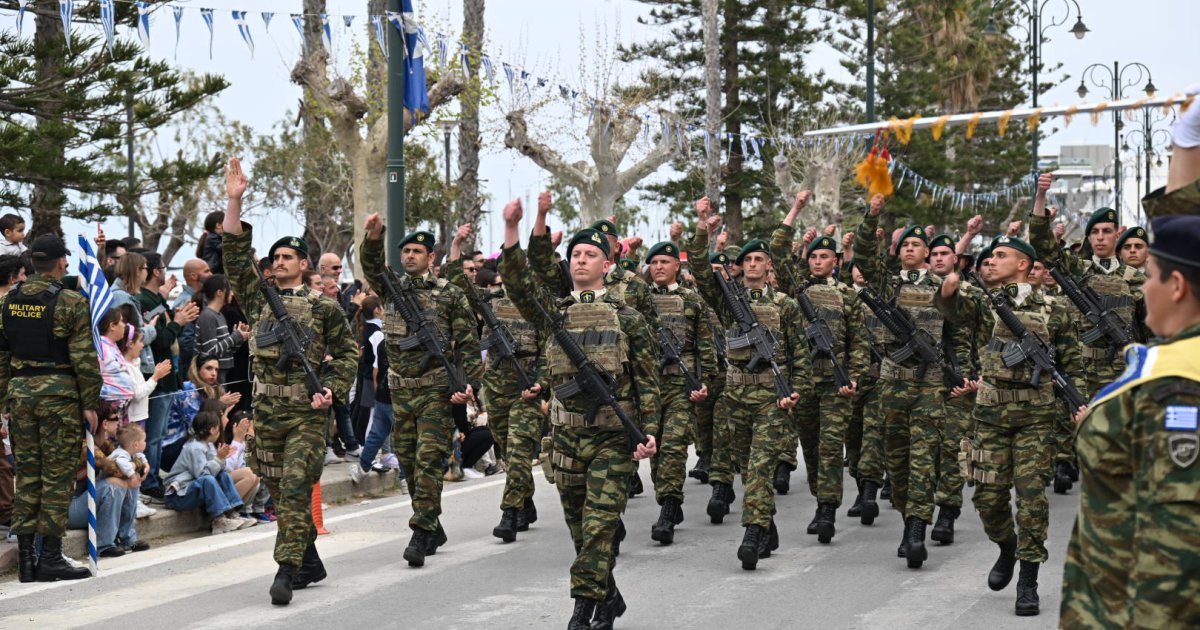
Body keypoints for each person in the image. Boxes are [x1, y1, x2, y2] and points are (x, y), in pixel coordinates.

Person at [1061, 100, 1200, 628]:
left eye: (1151, 277)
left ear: (1178, 286)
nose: (1143, 288)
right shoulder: (1175, 359)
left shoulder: (1177, 383)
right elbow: (1188, 230)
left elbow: (1175, 547)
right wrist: (1186, 145)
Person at [498, 197, 659, 630]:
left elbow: (647, 381)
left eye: (591, 254)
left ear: (608, 266)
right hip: (566, 438)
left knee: (601, 526)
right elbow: (517, 285)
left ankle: (582, 608)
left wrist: (650, 432)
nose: (581, 260)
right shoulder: (555, 314)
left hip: (612, 438)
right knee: (579, 530)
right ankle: (608, 597)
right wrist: (515, 229)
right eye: (575, 255)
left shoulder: (630, 319)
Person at [224, 157, 358, 605]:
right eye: (274, 257)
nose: (278, 263)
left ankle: (285, 569)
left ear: (304, 264)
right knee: (282, 490)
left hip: (304, 412)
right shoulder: (259, 300)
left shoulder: (323, 308)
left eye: (287, 258)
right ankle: (310, 559)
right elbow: (233, 255)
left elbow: (347, 354)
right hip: (267, 413)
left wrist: (332, 391)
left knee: (298, 486)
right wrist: (234, 200)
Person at [937, 234, 1084, 617]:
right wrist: (949, 289)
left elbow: (1072, 364)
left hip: (1036, 418)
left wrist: (1078, 405)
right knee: (988, 498)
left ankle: (1028, 581)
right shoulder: (985, 305)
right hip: (990, 417)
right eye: (988, 257)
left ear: (1023, 264)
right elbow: (953, 309)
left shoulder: (1054, 310)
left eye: (1000, 256)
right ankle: (1006, 546)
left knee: (1032, 498)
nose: (991, 261)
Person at [688, 197, 811, 570]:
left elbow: (801, 353)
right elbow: (698, 267)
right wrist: (701, 231)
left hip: (771, 396)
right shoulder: (728, 302)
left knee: (759, 468)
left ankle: (753, 534)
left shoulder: (786, 305)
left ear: (768, 265)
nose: (753, 264)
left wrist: (795, 391)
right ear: (740, 266)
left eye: (759, 260)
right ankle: (767, 523)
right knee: (745, 465)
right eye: (747, 260)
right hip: (736, 394)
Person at [853, 194, 972, 568]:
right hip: (892, 385)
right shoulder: (887, 286)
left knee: (923, 460)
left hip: (931, 386)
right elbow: (863, 259)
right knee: (898, 460)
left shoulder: (942, 288)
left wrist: (962, 379)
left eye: (916, 245)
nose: (909, 249)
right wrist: (870, 218)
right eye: (905, 244)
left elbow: (960, 337)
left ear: (927, 252)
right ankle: (909, 516)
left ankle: (917, 528)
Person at [361, 211, 482, 569]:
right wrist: (374, 235)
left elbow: (469, 342)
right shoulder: (391, 288)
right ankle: (433, 524)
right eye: (406, 251)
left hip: (434, 391)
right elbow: (370, 264)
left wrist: (472, 383)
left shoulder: (450, 295)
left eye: (418, 251)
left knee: (429, 460)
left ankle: (420, 529)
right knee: (410, 463)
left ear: (431, 258)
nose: (410, 256)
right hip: (400, 393)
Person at [1029, 174, 1150, 493]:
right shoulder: (1077, 270)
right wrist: (1041, 197)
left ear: (1116, 235)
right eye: (1094, 232)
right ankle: (1067, 462)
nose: (1099, 237)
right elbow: (1041, 244)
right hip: (1081, 366)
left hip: (1118, 369)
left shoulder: (1135, 279)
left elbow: (1148, 327)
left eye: (1106, 232)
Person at [0, 233, 102, 582]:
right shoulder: (71, 301)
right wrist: (90, 402)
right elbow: (85, 360)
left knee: (27, 476)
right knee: (57, 478)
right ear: (61, 262)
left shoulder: (7, 302)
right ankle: (51, 557)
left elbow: (1, 356)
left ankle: (27, 560)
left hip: (20, 396)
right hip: (59, 398)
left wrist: (4, 402)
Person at [769, 191, 870, 544]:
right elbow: (777, 251)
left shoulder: (848, 296)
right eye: (813, 256)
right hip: (803, 382)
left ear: (836, 261)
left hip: (836, 383)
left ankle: (827, 509)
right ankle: (820, 497)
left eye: (825, 256)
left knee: (830, 446)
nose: (817, 261)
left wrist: (853, 377)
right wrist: (795, 209)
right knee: (810, 446)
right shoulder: (795, 291)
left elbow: (859, 342)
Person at [445, 221, 545, 543]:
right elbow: (458, 283)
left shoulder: (539, 306)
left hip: (526, 391)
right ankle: (525, 502)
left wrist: (542, 383)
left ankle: (509, 512)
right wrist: (456, 245)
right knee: (506, 449)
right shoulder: (491, 303)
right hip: (497, 391)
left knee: (517, 451)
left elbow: (554, 350)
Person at [641, 238, 718, 545]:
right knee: (655, 447)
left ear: (677, 266)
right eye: (654, 263)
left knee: (673, 445)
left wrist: (705, 382)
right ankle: (667, 498)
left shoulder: (691, 301)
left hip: (679, 385)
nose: (658, 267)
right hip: (649, 385)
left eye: (664, 262)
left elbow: (705, 346)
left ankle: (669, 509)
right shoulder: (640, 301)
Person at [162, 410, 254, 534]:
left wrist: (222, 458)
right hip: (178, 495)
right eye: (218, 427)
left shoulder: (208, 445)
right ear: (212, 430)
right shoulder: (195, 448)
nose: (220, 430)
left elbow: (218, 469)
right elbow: (202, 475)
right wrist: (218, 459)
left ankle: (232, 513)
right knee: (208, 479)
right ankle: (219, 520)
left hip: (190, 488)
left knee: (223, 475)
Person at [196, 274, 249, 384]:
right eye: (229, 290)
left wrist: (239, 338)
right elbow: (210, 352)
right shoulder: (208, 316)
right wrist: (235, 336)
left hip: (222, 372)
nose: (232, 294)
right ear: (219, 293)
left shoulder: (219, 315)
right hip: (213, 375)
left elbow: (226, 352)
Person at [197, 211, 225, 275]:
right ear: (218, 225)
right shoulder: (212, 238)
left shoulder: (213, 237)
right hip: (213, 272)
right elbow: (225, 248)